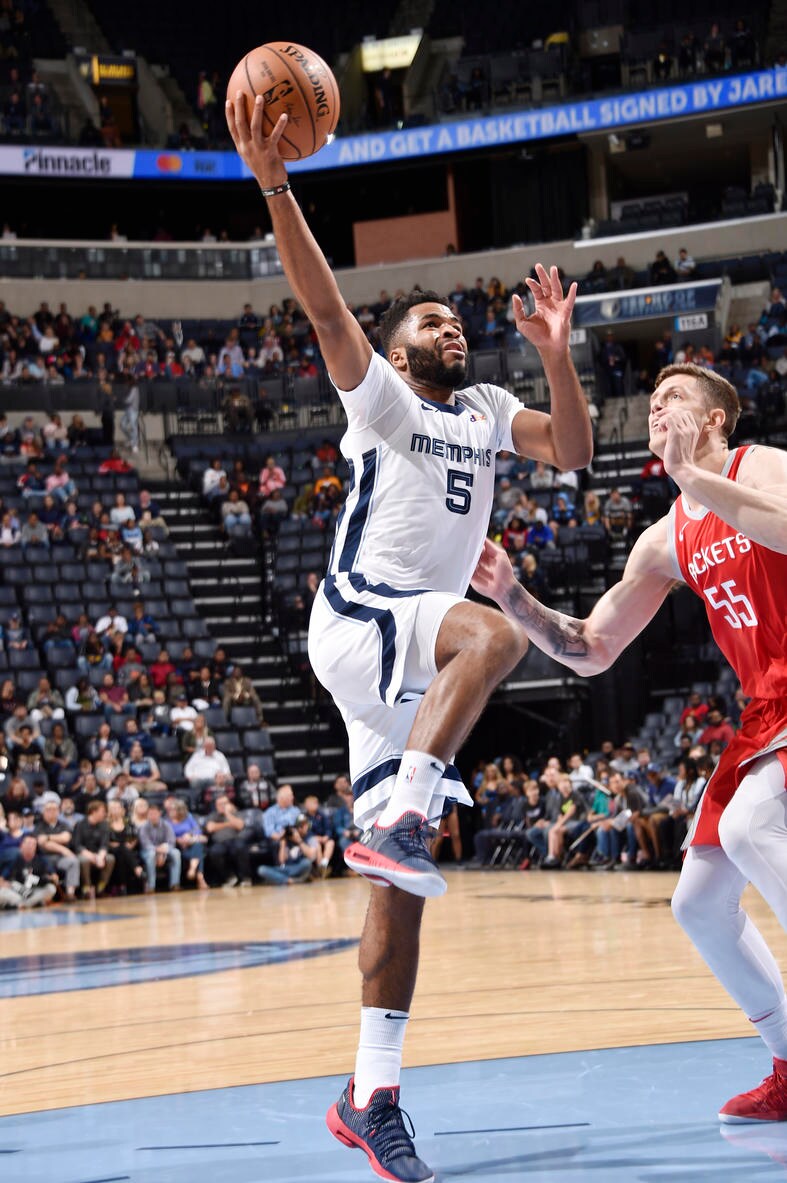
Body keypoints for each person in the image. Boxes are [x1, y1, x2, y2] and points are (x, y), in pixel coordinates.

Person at [226, 91, 593, 1181]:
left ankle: (369, 1091)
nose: (448, 324)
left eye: (451, 318)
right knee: (494, 637)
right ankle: (402, 812)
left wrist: (559, 353)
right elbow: (326, 310)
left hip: (405, 666)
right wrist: (276, 187)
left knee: (400, 888)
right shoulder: (381, 401)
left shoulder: (484, 408)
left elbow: (571, 451)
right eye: (426, 319)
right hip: (362, 619)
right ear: (394, 349)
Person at [472, 360, 787, 1127]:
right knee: (697, 903)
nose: (656, 408)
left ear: (713, 418)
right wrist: (513, 595)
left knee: (751, 826)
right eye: (649, 401)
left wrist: (693, 476)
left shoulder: (762, 464)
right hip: (761, 710)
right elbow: (592, 647)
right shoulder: (665, 534)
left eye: (672, 398)